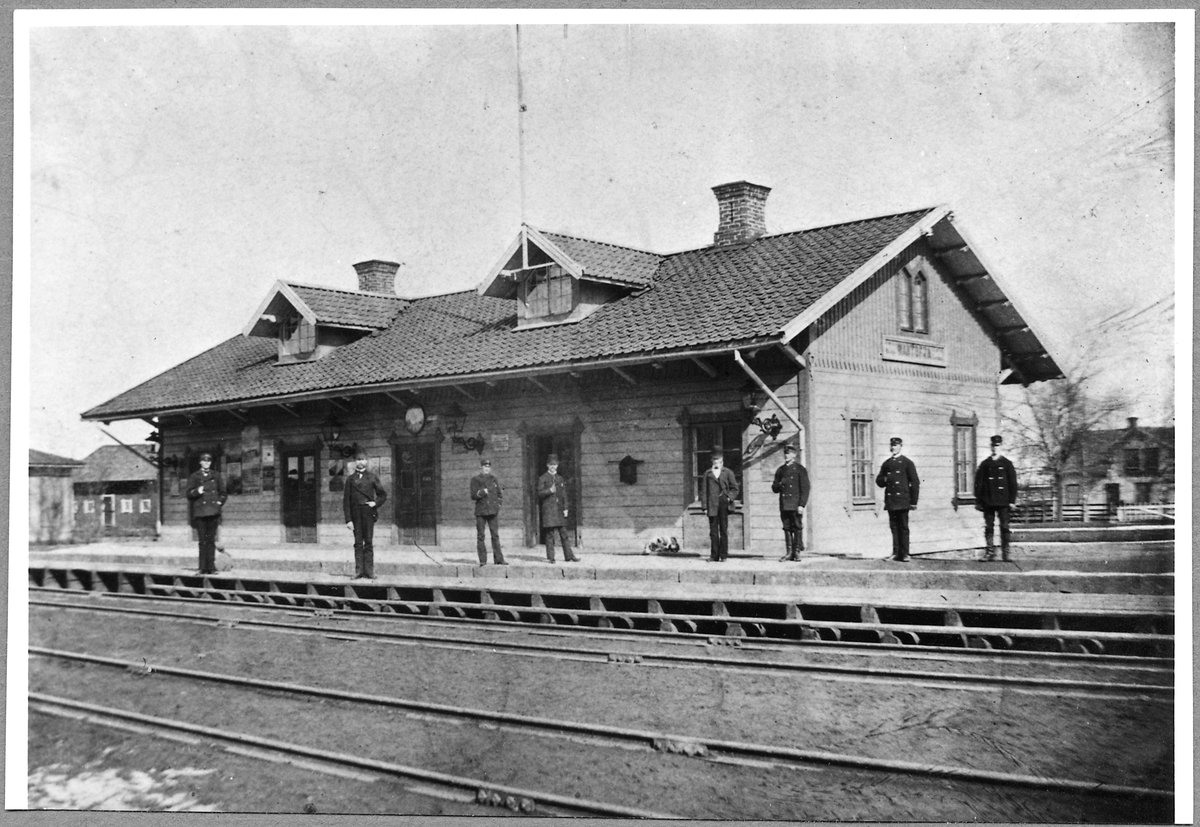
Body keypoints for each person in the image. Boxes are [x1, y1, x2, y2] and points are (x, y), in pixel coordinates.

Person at [342, 452, 388, 579]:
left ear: (366, 461)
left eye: (363, 459)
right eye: (358, 459)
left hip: (368, 512)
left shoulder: (372, 477)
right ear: (354, 461)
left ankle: (369, 571)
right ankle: (358, 571)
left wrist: (375, 503)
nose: (360, 462)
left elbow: (382, 495)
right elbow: (346, 501)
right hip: (355, 513)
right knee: (357, 543)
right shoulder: (350, 479)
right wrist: (348, 520)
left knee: (368, 542)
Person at [875, 436, 920, 562]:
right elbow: (879, 481)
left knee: (903, 527)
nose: (893, 447)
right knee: (894, 527)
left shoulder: (907, 463)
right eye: (892, 445)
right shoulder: (887, 463)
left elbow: (915, 483)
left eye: (896, 445)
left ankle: (905, 553)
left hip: (903, 500)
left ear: (901, 446)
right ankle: (895, 552)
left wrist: (913, 502)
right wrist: (885, 479)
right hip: (891, 500)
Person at [974, 435, 1018, 562]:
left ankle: (1006, 553)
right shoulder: (985, 464)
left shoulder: (1007, 464)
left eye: (997, 446)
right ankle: (990, 552)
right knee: (989, 527)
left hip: (1003, 501)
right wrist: (978, 501)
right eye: (993, 445)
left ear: (1001, 447)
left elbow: (1013, 484)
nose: (995, 448)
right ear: (990, 446)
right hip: (988, 501)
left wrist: (1012, 501)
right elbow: (979, 484)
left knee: (1004, 526)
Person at [186, 452, 227, 575]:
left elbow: (223, 493)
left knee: (211, 541)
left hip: (213, 512)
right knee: (203, 540)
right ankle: (203, 567)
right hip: (201, 513)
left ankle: (211, 567)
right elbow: (188, 494)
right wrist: (197, 491)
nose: (206, 463)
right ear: (200, 462)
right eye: (204, 461)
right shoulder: (194, 476)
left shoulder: (216, 475)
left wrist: (219, 503)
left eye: (208, 461)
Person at [771, 443, 811, 561]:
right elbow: (774, 488)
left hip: (795, 504)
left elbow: (805, 488)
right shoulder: (781, 470)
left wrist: (801, 505)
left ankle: (797, 552)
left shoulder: (800, 469)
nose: (786, 456)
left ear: (794, 455)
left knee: (797, 527)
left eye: (789, 454)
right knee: (786, 527)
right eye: (785, 454)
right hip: (784, 504)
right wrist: (779, 484)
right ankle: (789, 552)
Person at [537, 455, 579, 563]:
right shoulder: (543, 478)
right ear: (547, 465)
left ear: (557, 465)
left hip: (559, 510)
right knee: (550, 535)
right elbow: (539, 494)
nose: (553, 467)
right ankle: (551, 558)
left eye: (555, 465)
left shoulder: (560, 478)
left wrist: (565, 508)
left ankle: (569, 556)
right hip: (549, 511)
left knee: (564, 534)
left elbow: (564, 494)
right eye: (551, 465)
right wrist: (549, 491)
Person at [699, 451, 740, 562]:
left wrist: (729, 498)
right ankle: (714, 555)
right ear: (712, 461)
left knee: (723, 530)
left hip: (723, 503)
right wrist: (704, 507)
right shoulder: (707, 474)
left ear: (722, 462)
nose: (717, 464)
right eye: (715, 461)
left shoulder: (728, 472)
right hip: (712, 504)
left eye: (720, 462)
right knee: (713, 531)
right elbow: (704, 492)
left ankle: (724, 555)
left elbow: (735, 488)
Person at [471, 458, 506, 566]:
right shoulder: (475, 479)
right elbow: (473, 495)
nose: (487, 468)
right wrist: (482, 492)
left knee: (495, 535)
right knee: (481, 536)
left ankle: (499, 559)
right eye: (485, 466)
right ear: (481, 467)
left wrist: (498, 506)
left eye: (488, 467)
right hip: (481, 511)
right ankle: (482, 560)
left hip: (492, 511)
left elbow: (499, 494)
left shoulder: (493, 479)